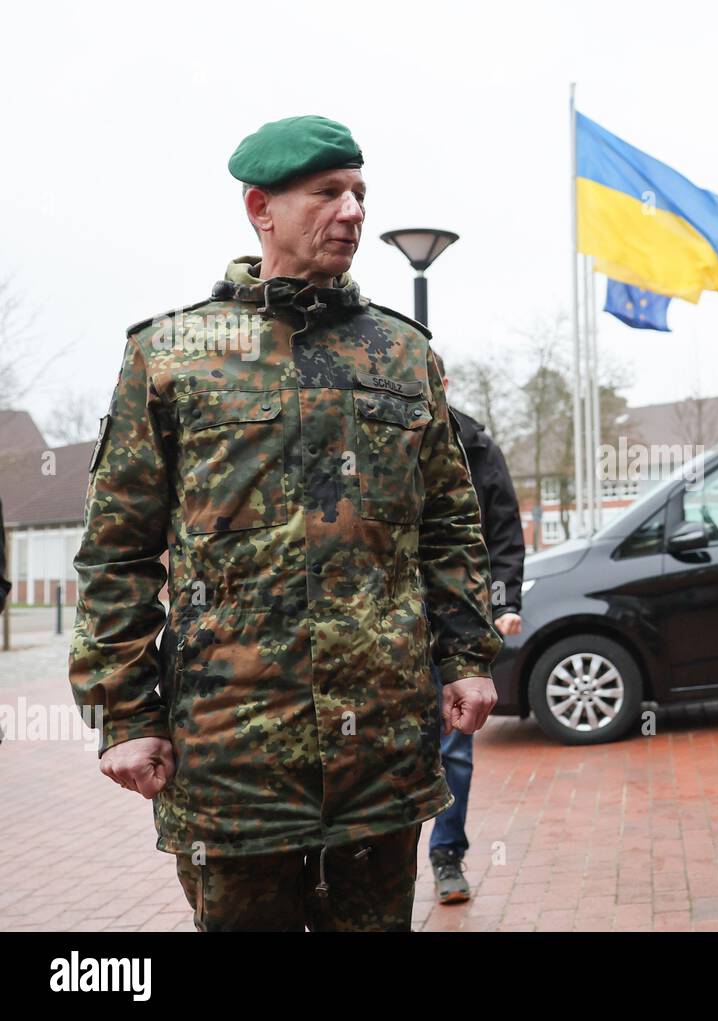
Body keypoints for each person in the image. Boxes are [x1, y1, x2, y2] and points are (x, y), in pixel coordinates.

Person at [69, 115, 502, 932]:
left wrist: (470, 656)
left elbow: (451, 523)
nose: (352, 212)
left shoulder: (403, 356)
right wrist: (124, 714)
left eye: (360, 194)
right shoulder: (172, 354)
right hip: (231, 752)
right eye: (327, 193)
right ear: (261, 208)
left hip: (381, 745)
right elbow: (117, 549)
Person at [427, 354, 525, 904]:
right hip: (385, 625)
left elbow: (506, 529)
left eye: (434, 381)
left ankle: (446, 856)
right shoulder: (374, 435)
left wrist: (505, 600)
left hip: (458, 621)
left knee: (455, 745)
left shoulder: (477, 444)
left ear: (443, 382)